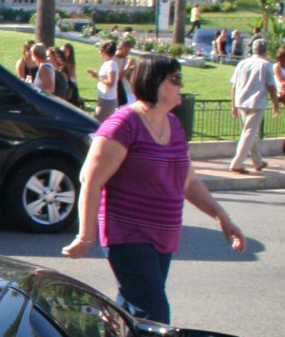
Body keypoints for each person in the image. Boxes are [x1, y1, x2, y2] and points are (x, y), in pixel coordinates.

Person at [63, 53, 245, 323]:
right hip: (128, 236)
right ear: (155, 82)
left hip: (163, 239)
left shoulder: (174, 125)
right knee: (154, 313)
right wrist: (85, 237)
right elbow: (90, 178)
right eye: (176, 79)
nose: (181, 85)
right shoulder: (123, 124)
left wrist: (222, 217)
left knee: (131, 312)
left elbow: (189, 182)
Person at [229, 37, 279, 175]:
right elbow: (271, 87)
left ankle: (258, 162)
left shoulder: (242, 63)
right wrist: (275, 105)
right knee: (249, 134)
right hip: (257, 103)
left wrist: (233, 104)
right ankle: (237, 164)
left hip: (240, 102)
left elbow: (234, 86)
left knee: (249, 134)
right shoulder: (266, 65)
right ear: (265, 51)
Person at [95, 39, 121, 121]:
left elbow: (111, 83)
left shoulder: (111, 64)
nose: (99, 52)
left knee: (98, 123)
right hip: (104, 99)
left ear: (105, 51)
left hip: (107, 100)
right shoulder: (107, 63)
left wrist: (97, 76)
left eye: (100, 50)